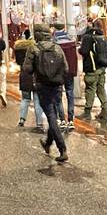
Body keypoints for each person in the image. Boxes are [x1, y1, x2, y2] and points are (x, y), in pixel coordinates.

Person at [27, 24, 68, 163]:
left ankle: (62, 149)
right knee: (53, 115)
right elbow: (66, 68)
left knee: (51, 116)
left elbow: (27, 69)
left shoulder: (34, 48)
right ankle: (47, 143)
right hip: (57, 85)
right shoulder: (57, 48)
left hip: (42, 86)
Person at [14, 25, 45, 130]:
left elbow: (18, 62)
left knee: (25, 99)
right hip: (35, 76)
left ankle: (22, 120)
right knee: (37, 101)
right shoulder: (35, 48)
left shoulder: (18, 48)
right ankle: (39, 123)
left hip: (24, 75)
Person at [79, 19, 107, 119]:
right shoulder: (104, 37)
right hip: (102, 68)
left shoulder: (88, 37)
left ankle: (87, 112)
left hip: (92, 68)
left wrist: (81, 49)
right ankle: (104, 111)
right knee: (101, 89)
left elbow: (83, 51)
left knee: (90, 89)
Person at [51, 22, 79, 128]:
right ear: (64, 28)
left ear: (54, 28)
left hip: (58, 73)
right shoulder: (71, 41)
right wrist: (74, 71)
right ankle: (71, 120)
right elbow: (74, 59)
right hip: (70, 72)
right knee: (70, 94)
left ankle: (62, 119)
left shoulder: (54, 42)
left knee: (58, 96)